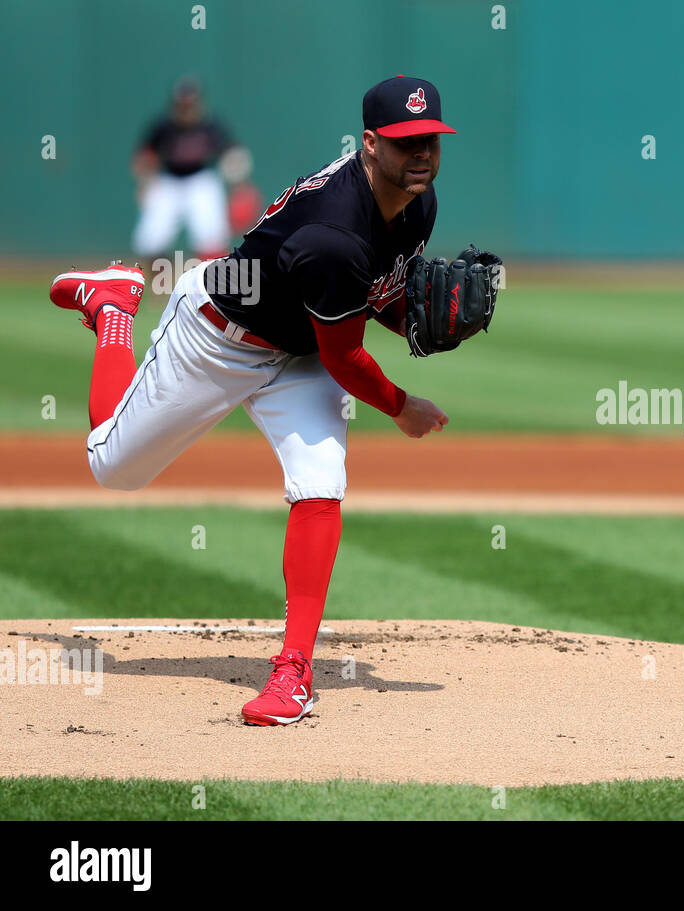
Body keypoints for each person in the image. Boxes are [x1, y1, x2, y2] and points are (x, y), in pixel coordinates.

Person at [50, 75, 496, 726]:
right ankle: (114, 307)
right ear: (370, 145)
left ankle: (293, 672)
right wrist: (401, 405)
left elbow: (377, 299)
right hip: (217, 338)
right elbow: (345, 355)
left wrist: (426, 322)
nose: (421, 153)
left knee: (320, 480)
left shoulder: (418, 203)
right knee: (111, 464)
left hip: (299, 352)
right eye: (404, 143)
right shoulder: (334, 231)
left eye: (429, 139)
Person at [131, 77, 254, 263]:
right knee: (150, 241)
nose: (187, 109)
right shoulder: (163, 127)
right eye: (183, 105)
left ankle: (212, 282)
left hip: (201, 181)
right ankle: (159, 283)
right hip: (168, 181)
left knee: (212, 237)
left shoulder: (210, 126)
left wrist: (240, 187)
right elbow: (145, 157)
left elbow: (232, 155)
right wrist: (144, 185)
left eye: (191, 104)